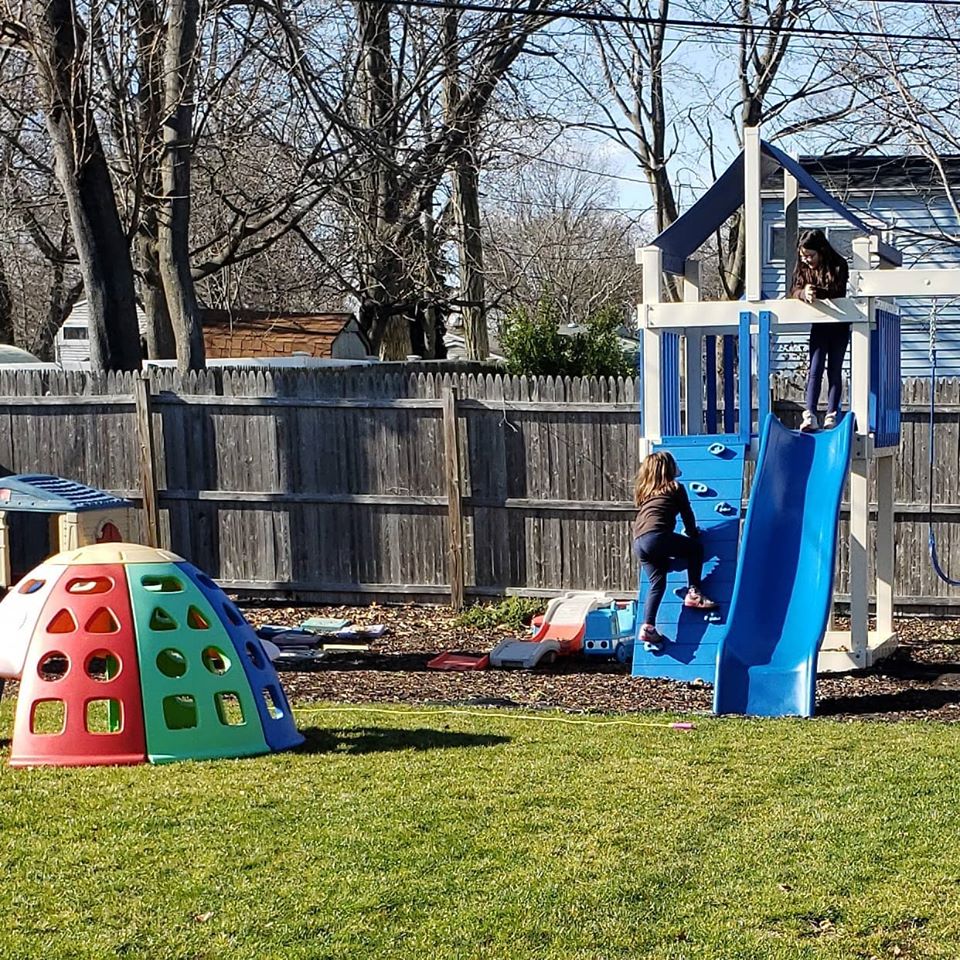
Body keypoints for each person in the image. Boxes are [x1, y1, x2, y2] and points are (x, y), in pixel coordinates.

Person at [633, 451, 717, 649]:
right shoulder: (675, 487)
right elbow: (687, 515)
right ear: (668, 469)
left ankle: (648, 627)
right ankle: (694, 592)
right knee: (694, 549)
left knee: (657, 582)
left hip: (639, 541)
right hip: (656, 537)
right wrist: (693, 533)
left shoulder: (647, 493)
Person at [790, 228, 850, 433]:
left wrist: (815, 291)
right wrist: (802, 293)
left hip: (839, 324)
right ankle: (810, 413)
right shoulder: (802, 267)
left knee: (834, 368)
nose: (807, 260)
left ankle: (832, 413)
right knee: (814, 369)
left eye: (810, 255)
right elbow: (794, 289)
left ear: (821, 251)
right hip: (819, 324)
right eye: (803, 256)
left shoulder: (838, 265)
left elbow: (837, 290)